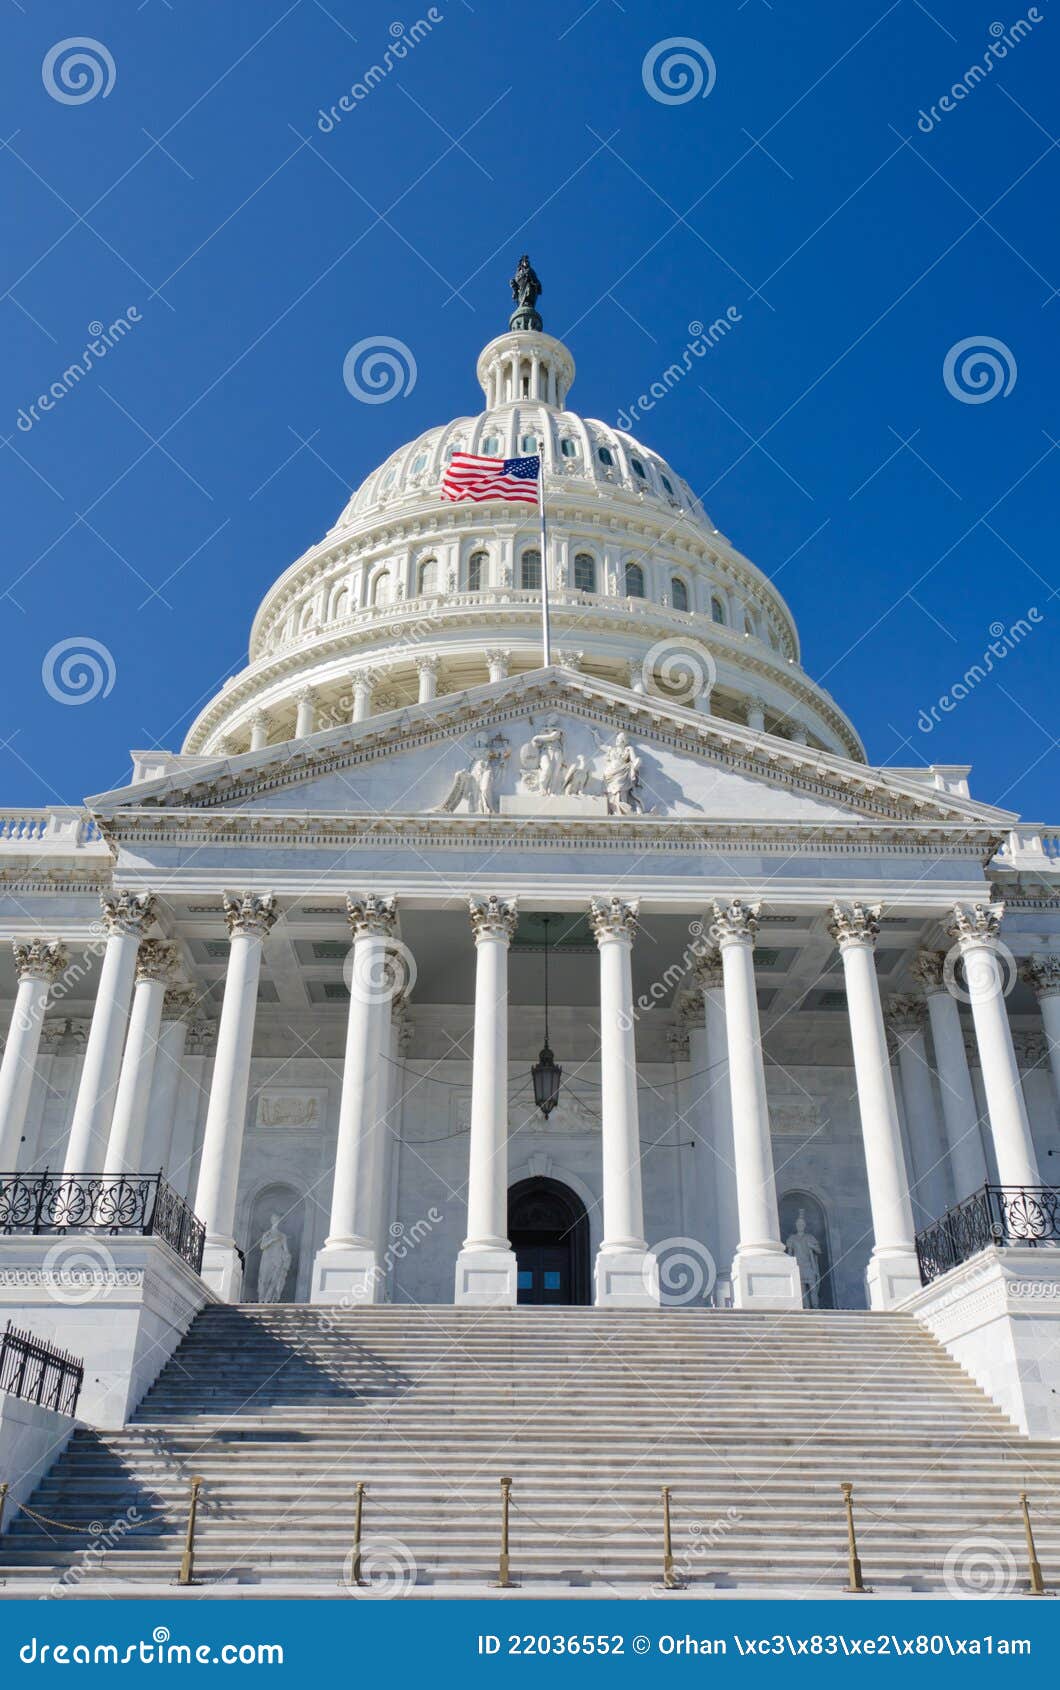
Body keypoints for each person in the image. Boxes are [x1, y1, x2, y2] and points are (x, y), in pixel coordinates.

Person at [256, 1214, 291, 1303]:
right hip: (267, 1259)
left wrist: (287, 1259)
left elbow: (286, 1250)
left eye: (277, 1219)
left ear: (279, 1221)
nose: (275, 1221)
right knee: (264, 1279)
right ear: (271, 1221)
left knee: (274, 1281)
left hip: (277, 1259)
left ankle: (269, 1300)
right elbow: (262, 1246)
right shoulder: (267, 1234)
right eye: (273, 1219)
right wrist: (271, 1240)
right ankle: (261, 1299)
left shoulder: (282, 1235)